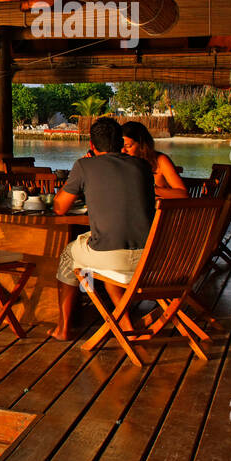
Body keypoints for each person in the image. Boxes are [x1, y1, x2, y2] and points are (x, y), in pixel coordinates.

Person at [51, 117, 157, 340]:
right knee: (101, 249)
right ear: (120, 142)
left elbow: (60, 208)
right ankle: (123, 321)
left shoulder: (84, 165)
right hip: (150, 258)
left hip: (113, 259)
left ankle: (65, 326)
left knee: (70, 253)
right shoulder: (143, 166)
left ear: (91, 145)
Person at [121, 121, 187, 199]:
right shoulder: (120, 162)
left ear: (142, 145)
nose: (123, 151)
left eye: (128, 146)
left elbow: (183, 194)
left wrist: (149, 189)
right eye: (120, 146)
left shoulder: (160, 161)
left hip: (159, 209)